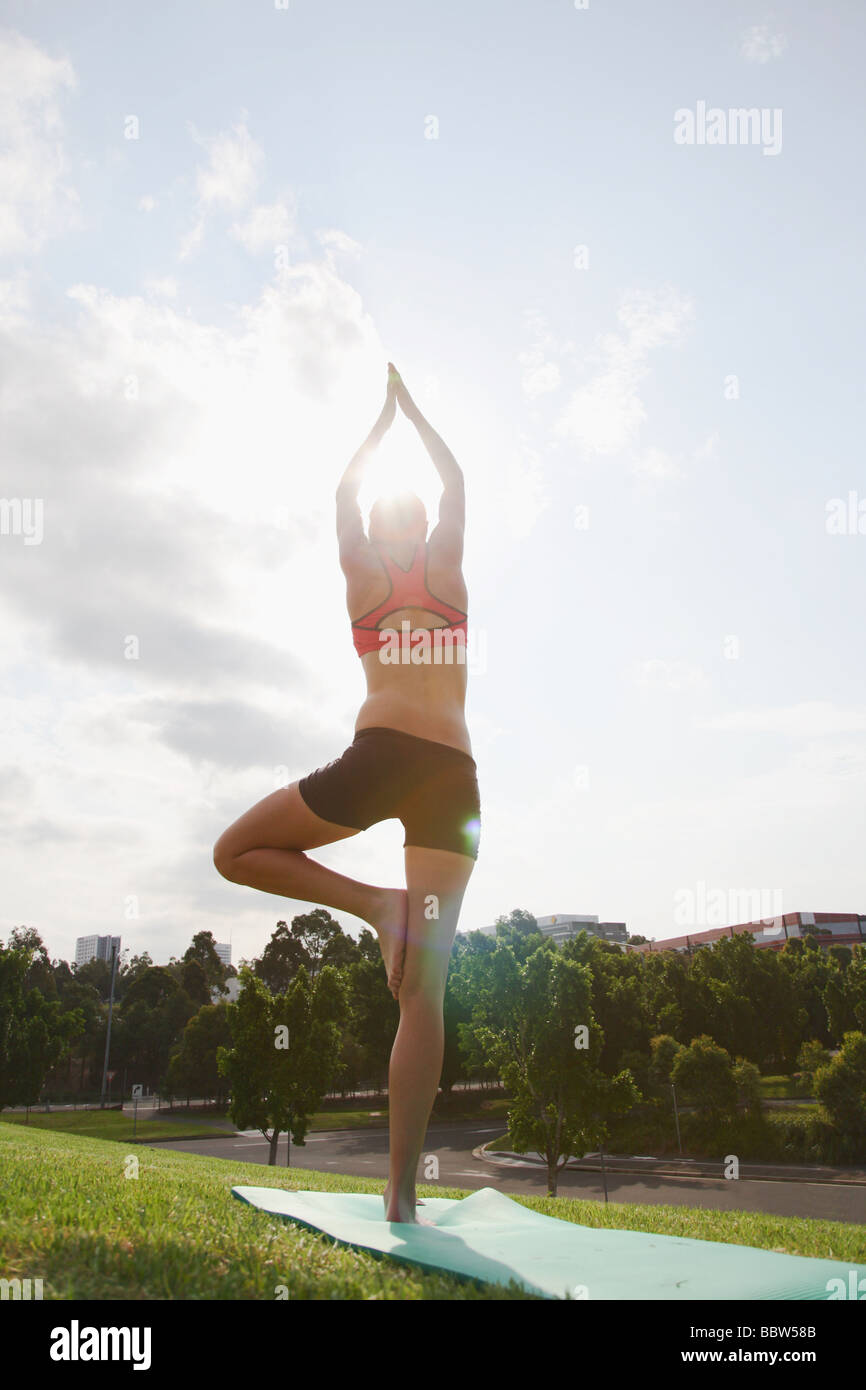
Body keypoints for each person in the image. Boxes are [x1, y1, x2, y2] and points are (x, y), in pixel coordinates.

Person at [213, 363, 480, 1224]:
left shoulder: (366, 586)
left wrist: (376, 427)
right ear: (421, 527)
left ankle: (374, 903)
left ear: (372, 532)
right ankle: (401, 1200)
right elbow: (455, 483)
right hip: (451, 776)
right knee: (423, 996)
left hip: (378, 755)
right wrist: (409, 412)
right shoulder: (446, 577)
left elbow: (346, 498)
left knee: (234, 853)